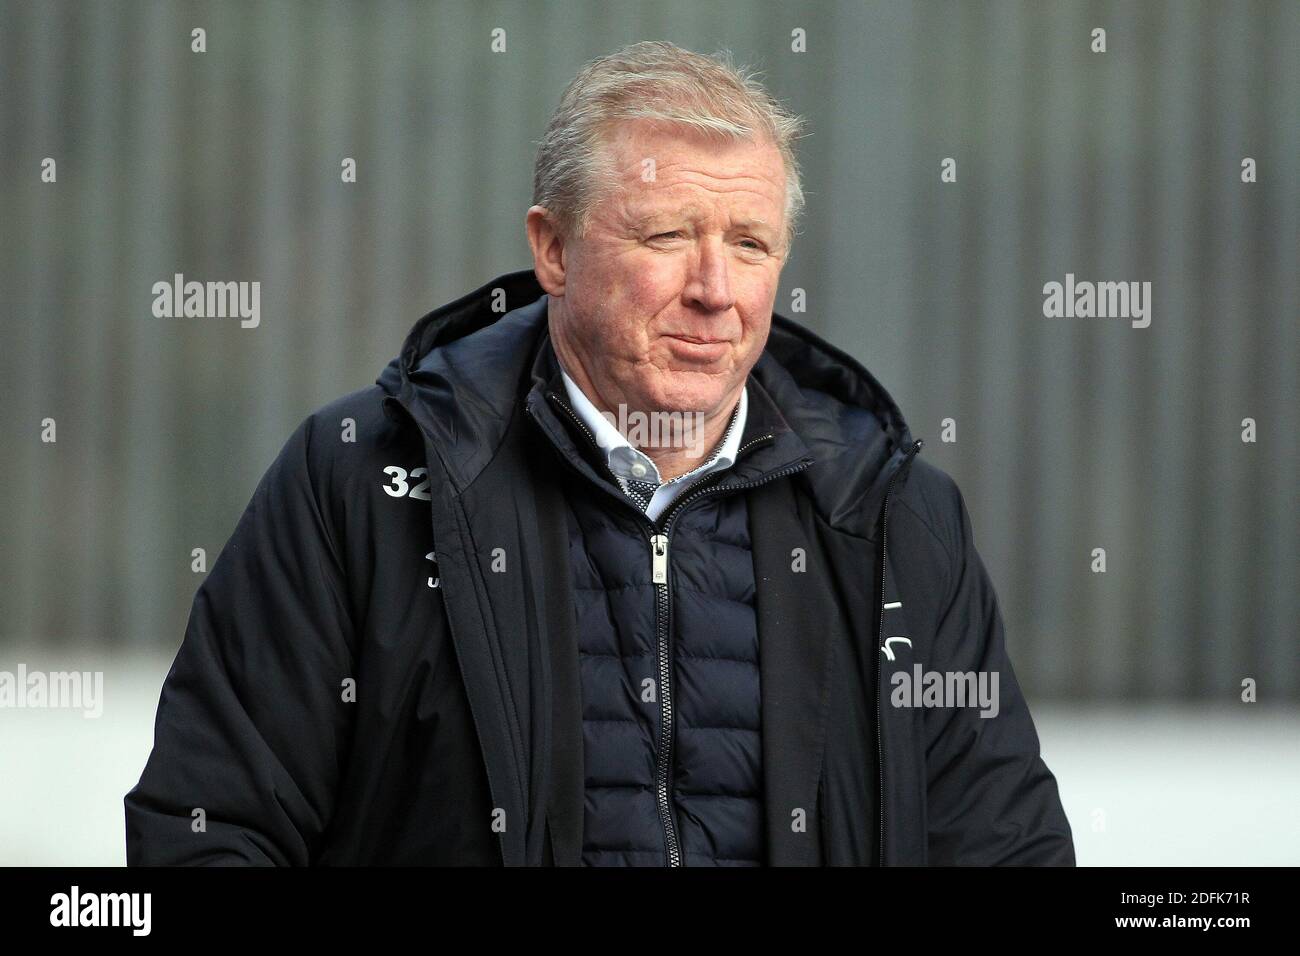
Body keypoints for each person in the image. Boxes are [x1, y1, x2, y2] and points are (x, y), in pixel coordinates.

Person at [125, 40, 1074, 866]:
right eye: (667, 236)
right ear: (554, 250)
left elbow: (1002, 846)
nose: (716, 289)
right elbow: (210, 828)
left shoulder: (892, 514)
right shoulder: (361, 481)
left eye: (750, 244)